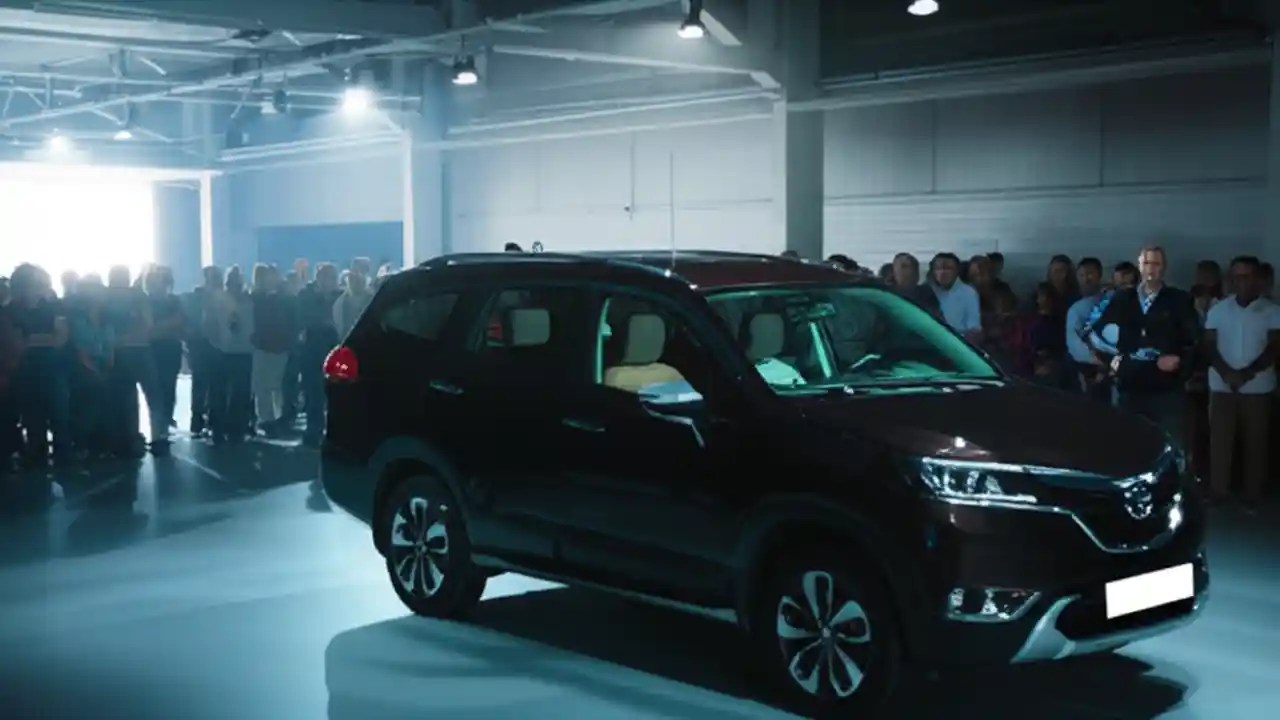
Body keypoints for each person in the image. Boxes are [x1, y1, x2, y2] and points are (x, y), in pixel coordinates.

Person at [1089, 246, 1199, 440]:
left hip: (1166, 391)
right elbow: (1098, 334)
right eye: (1147, 263)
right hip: (1130, 388)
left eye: (1156, 264)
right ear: (1139, 266)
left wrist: (1179, 361)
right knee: (1129, 447)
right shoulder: (1122, 299)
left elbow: (1193, 341)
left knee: (1170, 446)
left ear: (1164, 268)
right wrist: (1111, 362)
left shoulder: (1179, 300)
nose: (1151, 268)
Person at [1204, 256, 1280, 512]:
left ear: (1258, 279)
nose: (1241, 282)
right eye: (1236, 276)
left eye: (1247, 276)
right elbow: (1209, 346)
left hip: (1258, 387)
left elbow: (1274, 348)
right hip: (1222, 385)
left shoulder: (1272, 310)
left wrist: (1246, 373)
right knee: (1220, 443)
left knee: (1256, 442)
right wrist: (1227, 373)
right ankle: (1218, 492)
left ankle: (1252, 495)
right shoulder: (1218, 309)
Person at [9, 264, 71, 465]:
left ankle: (62, 458)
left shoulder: (53, 307)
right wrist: (46, 338)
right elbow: (16, 343)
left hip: (52, 372)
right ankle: (38, 459)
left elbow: (60, 338)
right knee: (33, 421)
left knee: (60, 417)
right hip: (24, 373)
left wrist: (31, 339)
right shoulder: (9, 311)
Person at [105, 265, 162, 457]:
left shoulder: (108, 299)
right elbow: (148, 323)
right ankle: (157, 438)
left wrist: (119, 340)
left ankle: (129, 439)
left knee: (127, 398)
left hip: (120, 352)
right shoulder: (137, 296)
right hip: (141, 349)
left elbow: (105, 327)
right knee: (152, 396)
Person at [206, 265, 254, 444]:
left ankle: (232, 427)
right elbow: (210, 324)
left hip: (240, 350)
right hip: (227, 350)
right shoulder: (221, 300)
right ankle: (223, 427)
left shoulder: (245, 300)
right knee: (224, 391)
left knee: (236, 391)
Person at [296, 263, 341, 446]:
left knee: (334, 394)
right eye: (328, 277)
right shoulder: (306, 296)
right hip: (312, 353)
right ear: (319, 278)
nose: (331, 282)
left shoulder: (338, 297)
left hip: (333, 351)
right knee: (313, 393)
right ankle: (314, 430)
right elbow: (306, 320)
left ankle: (332, 431)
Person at [251, 264, 295, 438]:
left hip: (278, 346)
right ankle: (268, 419)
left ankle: (276, 418)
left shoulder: (281, 298)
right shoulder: (256, 298)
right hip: (263, 346)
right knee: (263, 385)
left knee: (275, 386)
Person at [146, 266, 185, 451]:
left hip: (168, 349)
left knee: (168, 388)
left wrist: (156, 327)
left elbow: (178, 322)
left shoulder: (173, 301)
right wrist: (165, 327)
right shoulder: (145, 302)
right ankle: (159, 429)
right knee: (156, 389)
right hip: (156, 348)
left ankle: (163, 425)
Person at [184, 266, 223, 436]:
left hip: (207, 345)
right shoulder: (200, 298)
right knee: (206, 383)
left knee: (208, 383)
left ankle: (204, 417)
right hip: (204, 344)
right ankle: (201, 417)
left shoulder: (196, 297)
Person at [1065, 257, 1106, 398]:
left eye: (1090, 274)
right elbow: (1074, 344)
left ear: (1099, 275)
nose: (1086, 279)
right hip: (1084, 369)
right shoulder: (1075, 308)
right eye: (1081, 275)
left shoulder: (1112, 301)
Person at [928, 252, 982, 343]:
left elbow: (974, 329)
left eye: (948, 268)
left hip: (958, 343)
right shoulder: (925, 291)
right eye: (938, 268)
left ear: (957, 271)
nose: (942, 272)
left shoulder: (969, 293)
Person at [891, 252, 942, 318]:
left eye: (914, 267)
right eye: (904, 266)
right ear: (893, 271)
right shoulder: (887, 294)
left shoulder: (927, 293)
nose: (909, 271)